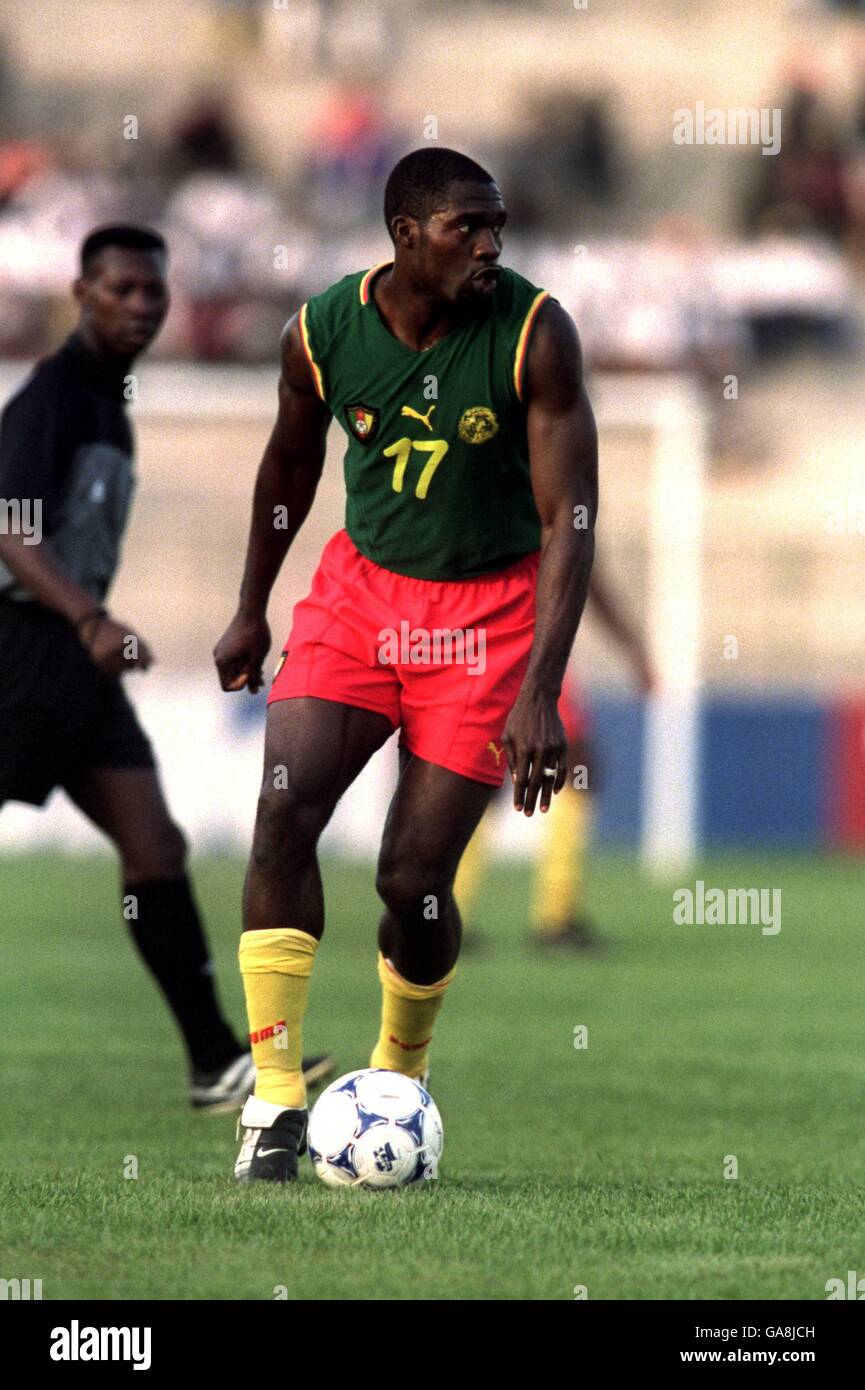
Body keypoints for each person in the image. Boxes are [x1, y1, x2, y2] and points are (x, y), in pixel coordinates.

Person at [214, 147, 598, 1182]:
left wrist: (539, 690)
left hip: (487, 620)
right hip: (360, 597)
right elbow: (289, 463)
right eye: (468, 227)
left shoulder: (534, 331)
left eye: (497, 226)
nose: (490, 245)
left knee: (413, 880)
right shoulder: (321, 332)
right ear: (406, 235)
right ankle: (275, 1099)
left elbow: (571, 516)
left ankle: (399, 1073)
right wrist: (250, 606)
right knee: (281, 814)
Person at [0, 224, 331, 1111]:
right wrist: (90, 616)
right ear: (82, 294)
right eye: (122, 289)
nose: (141, 305)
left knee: (155, 846)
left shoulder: (107, 398)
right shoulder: (53, 397)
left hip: (76, 668)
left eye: (154, 290)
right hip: (21, 653)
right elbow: (9, 527)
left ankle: (213, 1061)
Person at [455, 561, 655, 951]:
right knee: (575, 765)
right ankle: (555, 917)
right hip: (523, 647)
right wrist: (632, 646)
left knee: (486, 770)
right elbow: (584, 569)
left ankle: (444, 912)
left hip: (484, 642)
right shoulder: (556, 524)